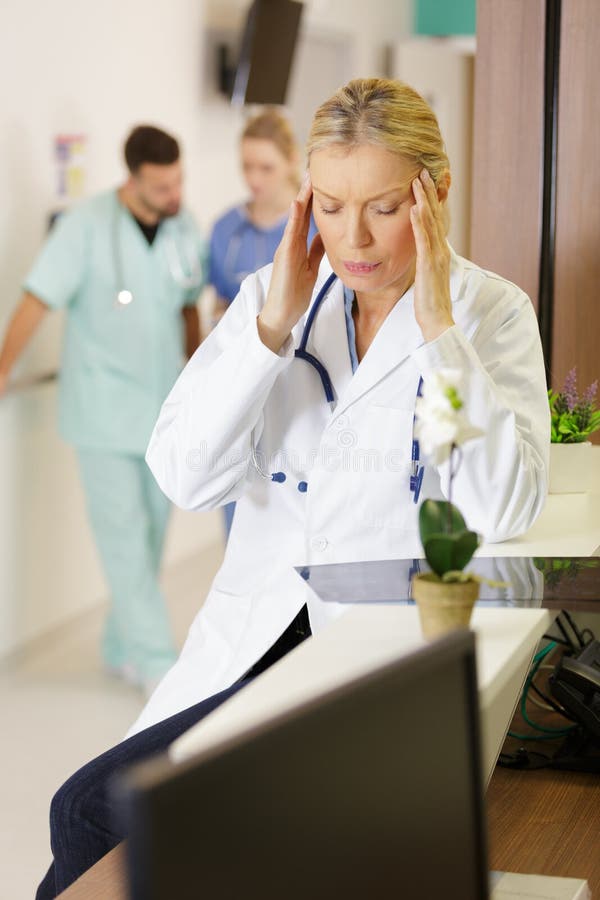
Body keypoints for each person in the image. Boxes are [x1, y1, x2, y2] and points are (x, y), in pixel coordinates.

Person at [35, 78, 549, 898]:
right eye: (332, 205)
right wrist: (269, 332)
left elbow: (499, 502)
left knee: (104, 816)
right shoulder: (273, 305)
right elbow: (186, 477)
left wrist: (439, 332)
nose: (354, 238)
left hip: (378, 653)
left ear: (436, 195)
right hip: (258, 635)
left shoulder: (489, 317)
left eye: (384, 206)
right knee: (91, 814)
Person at [0, 125, 206, 695]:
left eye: (179, 180)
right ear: (133, 179)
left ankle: (121, 646)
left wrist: (202, 373)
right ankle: (158, 661)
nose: (174, 194)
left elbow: (189, 303)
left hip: (164, 405)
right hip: (102, 408)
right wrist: (2, 370)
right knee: (121, 535)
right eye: (162, 186)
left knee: (151, 537)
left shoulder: (182, 223)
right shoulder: (85, 226)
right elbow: (36, 299)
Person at [208, 107, 317, 537]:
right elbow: (218, 300)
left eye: (266, 167)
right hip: (241, 382)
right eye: (247, 167)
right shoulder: (226, 230)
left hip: (300, 380)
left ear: (292, 160)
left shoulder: (315, 225)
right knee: (235, 501)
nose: (254, 178)